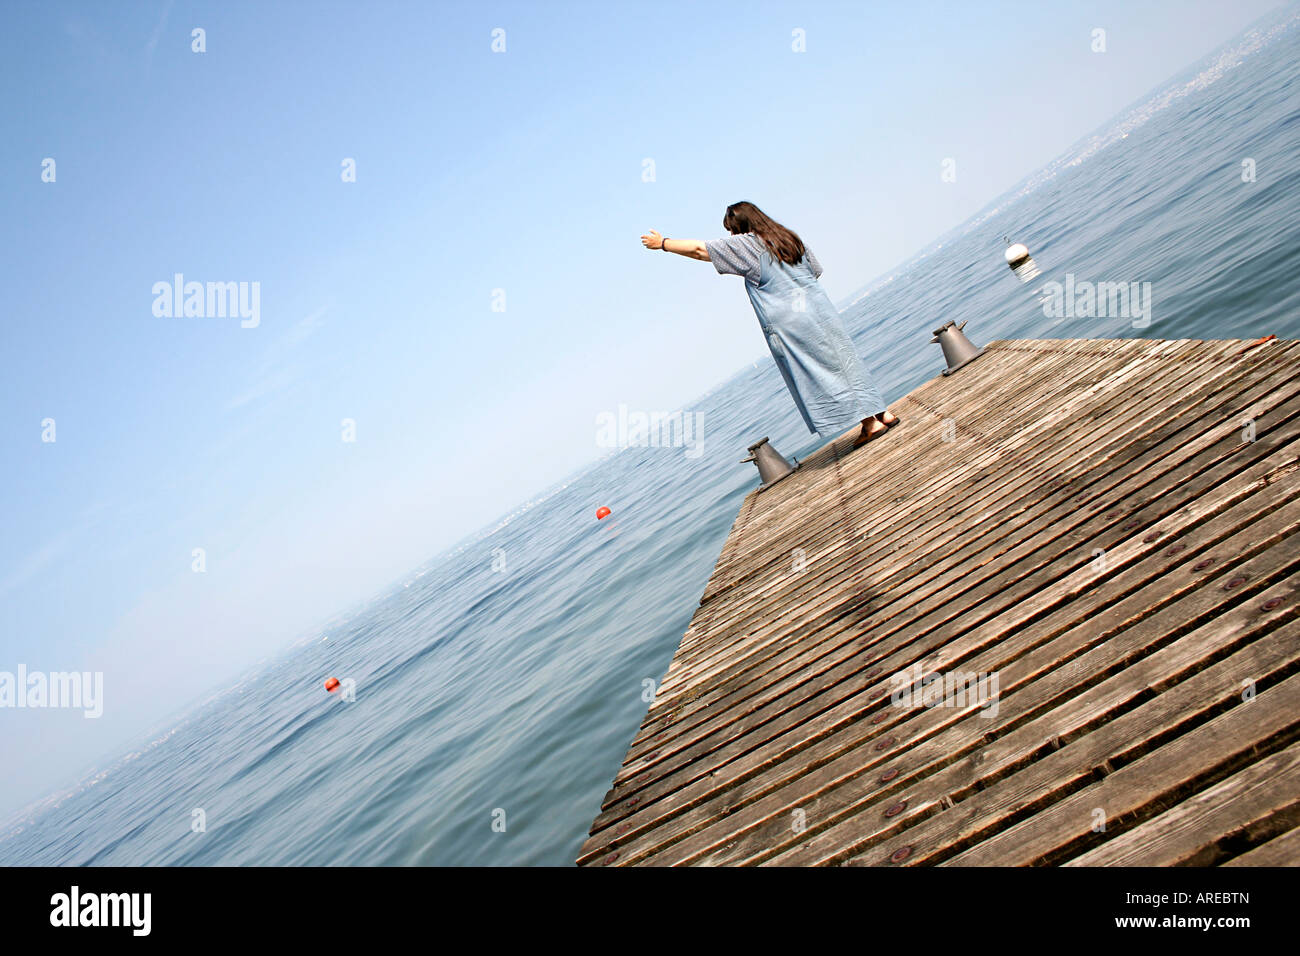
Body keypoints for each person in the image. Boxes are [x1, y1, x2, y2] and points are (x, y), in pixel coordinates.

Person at [641, 201, 898, 447]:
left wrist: (663, 243)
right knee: (845, 360)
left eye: (731, 230)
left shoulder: (747, 244)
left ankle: (869, 424)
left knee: (822, 371)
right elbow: (816, 271)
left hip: (791, 323)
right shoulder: (789, 238)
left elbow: (700, 250)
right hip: (820, 310)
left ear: (739, 227)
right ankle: (883, 413)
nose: (730, 236)